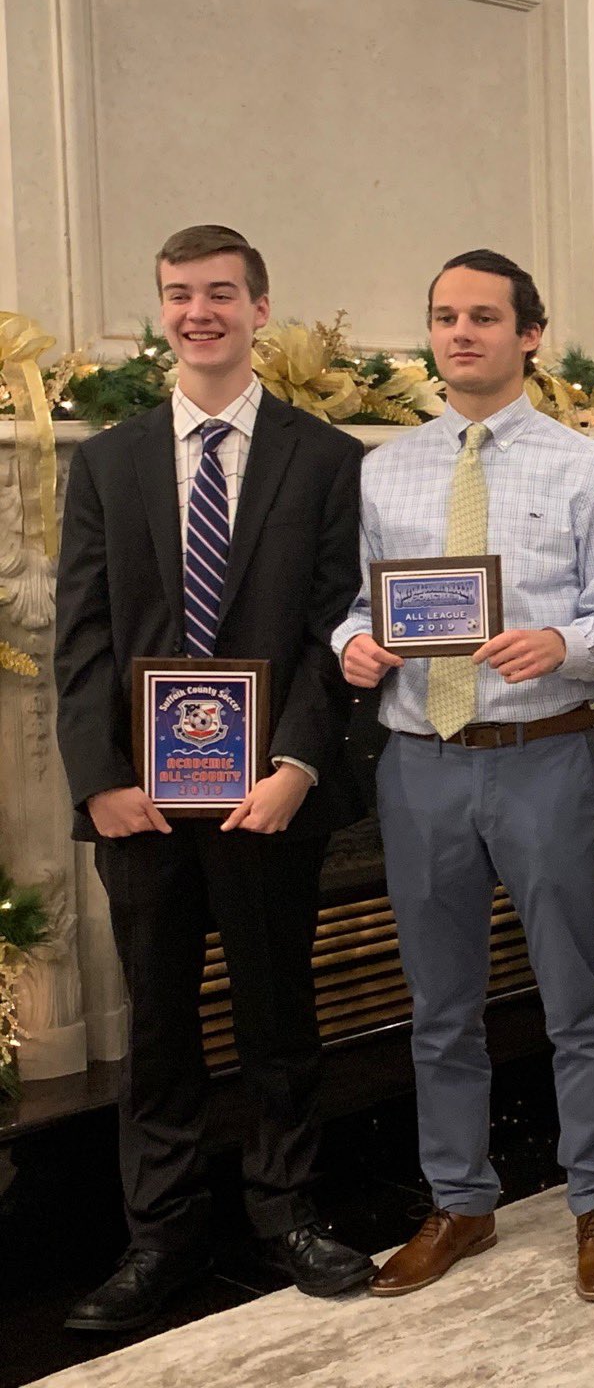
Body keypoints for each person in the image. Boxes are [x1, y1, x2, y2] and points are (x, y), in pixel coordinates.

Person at [54, 224, 373, 1330]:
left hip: (268, 797)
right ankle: (161, 1237)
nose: (200, 312)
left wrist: (296, 763)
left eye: (221, 293)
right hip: (140, 805)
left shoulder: (326, 459)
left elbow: (335, 628)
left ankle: (288, 1211)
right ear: (163, 311)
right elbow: (81, 635)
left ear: (259, 309)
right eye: (180, 294)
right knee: (157, 1025)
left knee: (278, 1013)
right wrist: (98, 779)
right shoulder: (107, 462)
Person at [334, 249, 594, 1303]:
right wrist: (353, 645)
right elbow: (359, 604)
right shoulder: (384, 469)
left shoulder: (587, 468)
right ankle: (460, 1200)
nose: (460, 333)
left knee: (576, 994)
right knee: (440, 1005)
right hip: (419, 764)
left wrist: (562, 642)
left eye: (482, 316)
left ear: (528, 334)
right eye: (444, 317)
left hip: (541, 757)